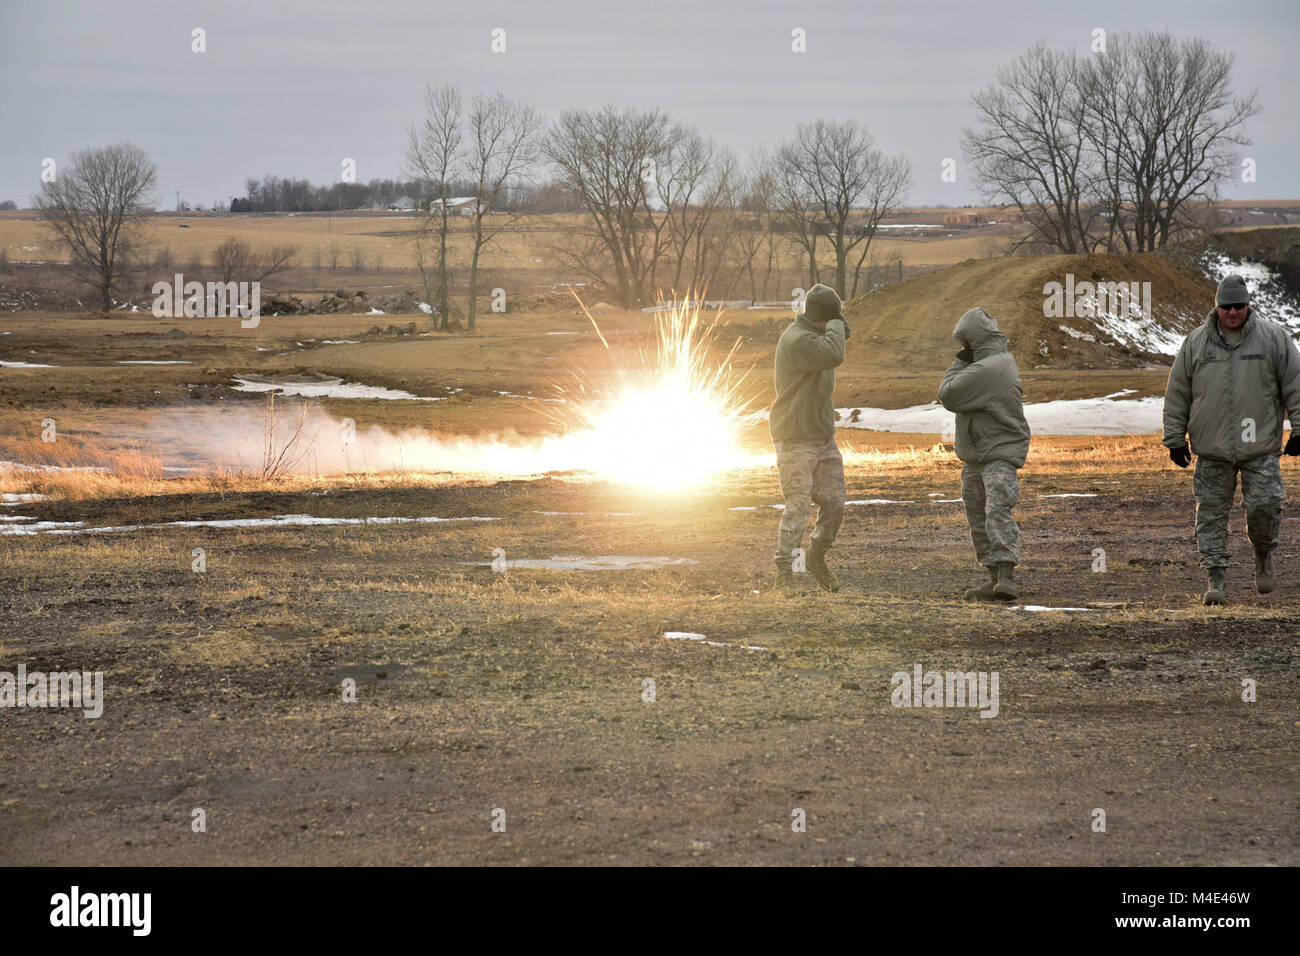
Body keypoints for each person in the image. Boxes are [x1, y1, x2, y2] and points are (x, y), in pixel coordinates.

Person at [1162, 274, 1300, 605]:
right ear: (1217, 307)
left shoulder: (1273, 339)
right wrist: (1174, 437)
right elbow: (1178, 392)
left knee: (1265, 508)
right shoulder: (1195, 344)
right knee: (1209, 517)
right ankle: (1216, 580)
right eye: (1226, 306)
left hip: (1260, 447)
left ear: (1248, 305)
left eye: (1238, 306)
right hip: (1211, 449)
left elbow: (1295, 383)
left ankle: (1263, 555)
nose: (1232, 312)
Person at [938, 307, 1031, 601]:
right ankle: (994, 580)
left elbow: (949, 394)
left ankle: (1007, 577)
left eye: (964, 343)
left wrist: (958, 363)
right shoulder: (988, 364)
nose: (962, 349)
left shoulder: (992, 367)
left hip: (997, 454)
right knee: (978, 515)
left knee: (996, 511)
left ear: (972, 340)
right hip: (978, 454)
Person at [769, 284, 849, 596]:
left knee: (835, 502)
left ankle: (815, 557)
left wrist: (835, 320)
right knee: (798, 506)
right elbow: (835, 352)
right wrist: (837, 323)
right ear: (822, 319)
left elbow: (840, 338)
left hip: (821, 434)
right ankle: (785, 570)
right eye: (832, 319)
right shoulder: (798, 339)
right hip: (793, 435)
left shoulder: (817, 333)